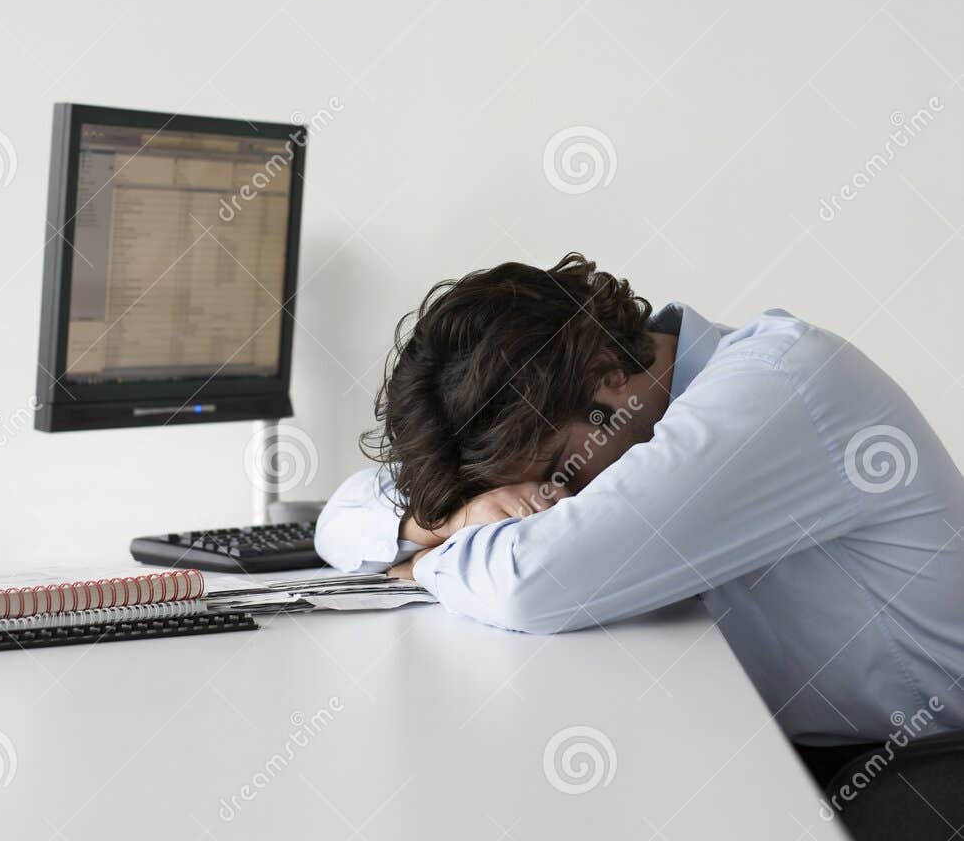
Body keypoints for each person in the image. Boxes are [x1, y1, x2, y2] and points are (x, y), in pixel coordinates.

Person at [315, 254, 964, 747]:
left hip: (917, 772)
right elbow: (344, 514)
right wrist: (456, 516)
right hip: (792, 747)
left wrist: (426, 559)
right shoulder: (599, 409)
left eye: (558, 472)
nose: (548, 503)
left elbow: (535, 583)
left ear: (607, 374)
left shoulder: (777, 385)